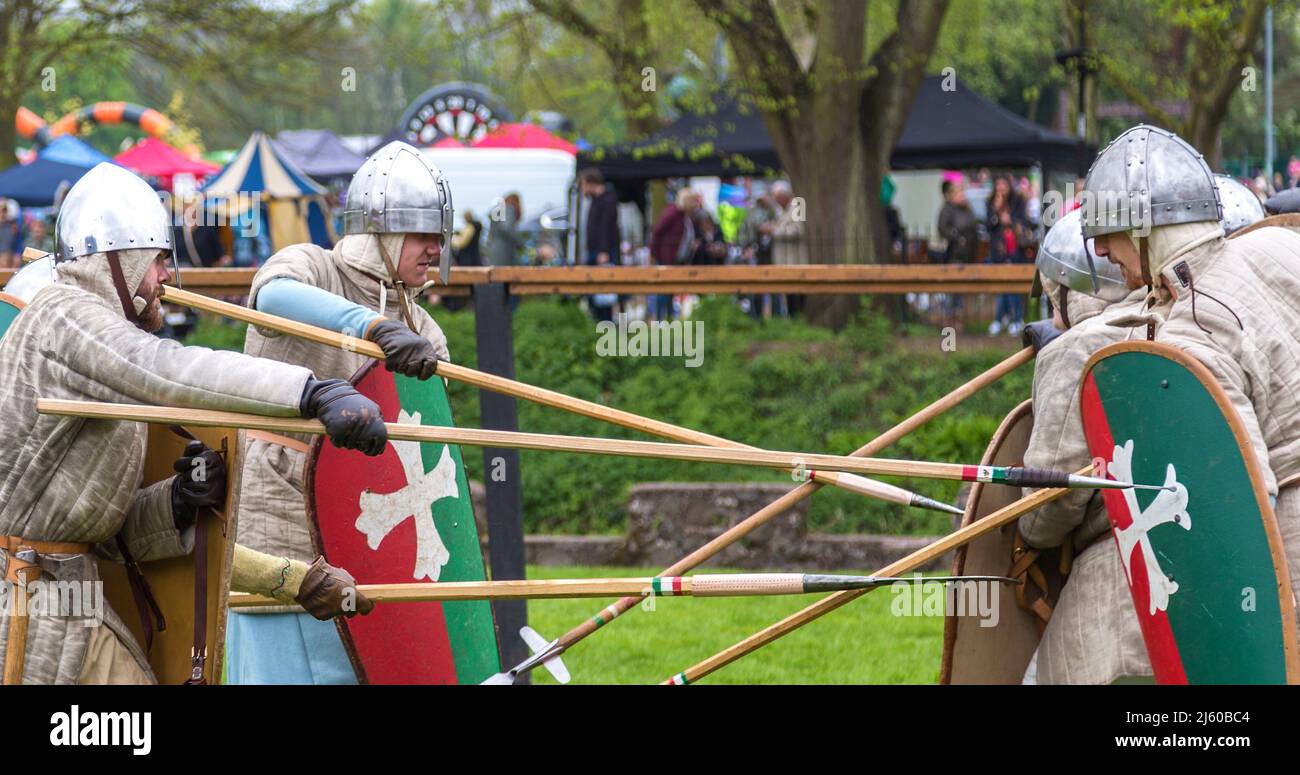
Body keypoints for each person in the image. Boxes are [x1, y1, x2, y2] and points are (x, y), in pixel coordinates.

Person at [0, 163, 381, 685]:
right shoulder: (63, 316)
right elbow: (170, 369)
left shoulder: (105, 361)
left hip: (72, 597)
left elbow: (104, 538)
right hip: (21, 601)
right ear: (118, 258)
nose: (166, 278)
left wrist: (178, 502)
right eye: (156, 260)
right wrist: (309, 391)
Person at [229, 141, 454, 684]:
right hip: (277, 510)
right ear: (381, 231)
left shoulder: (421, 329)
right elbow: (271, 296)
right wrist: (371, 328)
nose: (434, 249)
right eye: (421, 232)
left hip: (369, 531)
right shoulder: (312, 266)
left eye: (438, 236)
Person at [1081, 124, 1300, 624]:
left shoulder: (1195, 328)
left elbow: (1241, 494)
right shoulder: (1276, 248)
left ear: (1143, 227)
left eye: (1107, 232)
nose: (1100, 252)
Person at [1016, 207, 1153, 684]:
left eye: (1055, 296)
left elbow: (1046, 509)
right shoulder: (1177, 317)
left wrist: (1024, 534)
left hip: (1120, 580)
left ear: (1071, 291)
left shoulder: (1076, 352)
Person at [986, 175, 1028, 336]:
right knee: (1002, 287)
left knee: (1013, 287)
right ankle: (1002, 319)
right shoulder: (991, 204)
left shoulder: (1017, 202)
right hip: (998, 252)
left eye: (1004, 185)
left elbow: (1024, 222)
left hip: (1015, 250)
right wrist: (996, 213)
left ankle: (1015, 319)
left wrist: (1009, 220)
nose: (1001, 189)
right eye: (999, 185)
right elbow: (989, 226)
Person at [647, 187, 699, 320]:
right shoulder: (672, 213)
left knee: (670, 291)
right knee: (663, 291)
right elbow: (657, 233)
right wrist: (653, 254)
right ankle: (660, 320)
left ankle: (669, 319)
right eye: (693, 202)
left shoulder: (683, 215)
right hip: (665, 259)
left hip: (674, 259)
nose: (695, 205)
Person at [770, 181, 808, 316]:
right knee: (788, 296)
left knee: (797, 296)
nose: (775, 200)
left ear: (784, 195)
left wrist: (773, 231)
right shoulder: (781, 210)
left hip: (795, 260)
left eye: (777, 196)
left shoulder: (798, 205)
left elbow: (798, 231)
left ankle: (798, 321)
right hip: (784, 261)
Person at [580, 168, 620, 267]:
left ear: (591, 183)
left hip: (603, 252)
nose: (582, 188)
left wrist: (603, 251)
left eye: (584, 184)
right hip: (595, 250)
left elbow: (605, 226)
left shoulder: (608, 200)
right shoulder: (595, 200)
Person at [487, 192, 525, 267]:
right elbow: (506, 228)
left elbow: (491, 232)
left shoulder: (497, 211)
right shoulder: (509, 208)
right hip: (504, 250)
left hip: (494, 248)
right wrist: (519, 241)